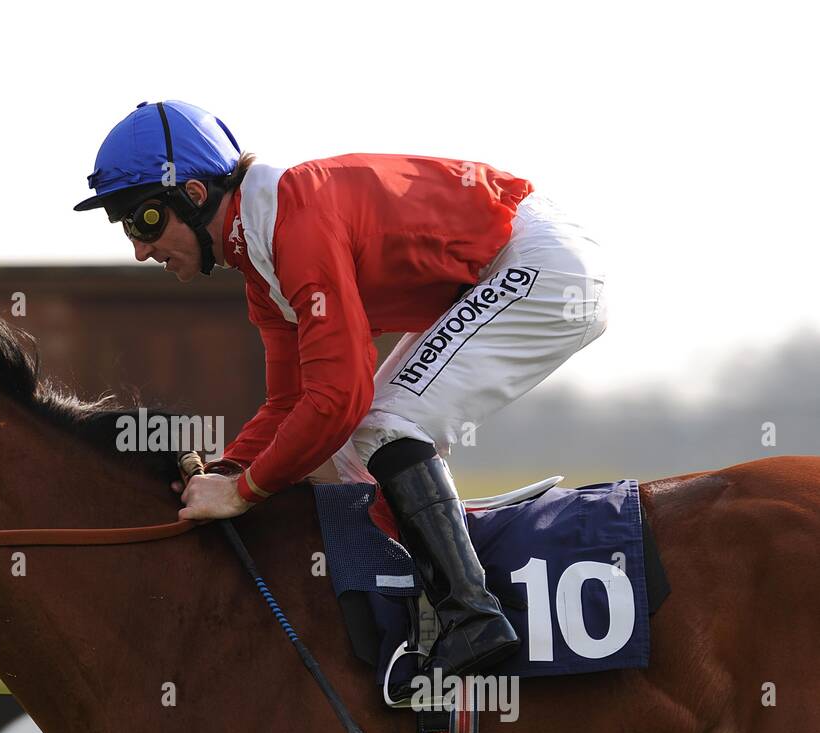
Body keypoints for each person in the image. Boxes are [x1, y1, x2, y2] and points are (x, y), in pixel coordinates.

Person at [74, 100, 607, 688]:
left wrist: (244, 491)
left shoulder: (295, 225)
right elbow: (288, 404)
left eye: (143, 221)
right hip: (503, 261)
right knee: (351, 449)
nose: (139, 249)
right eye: (125, 227)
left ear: (195, 195)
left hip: (540, 264)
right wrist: (225, 468)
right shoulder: (260, 261)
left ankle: (473, 615)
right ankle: (420, 611)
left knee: (381, 423)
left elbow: (339, 398)